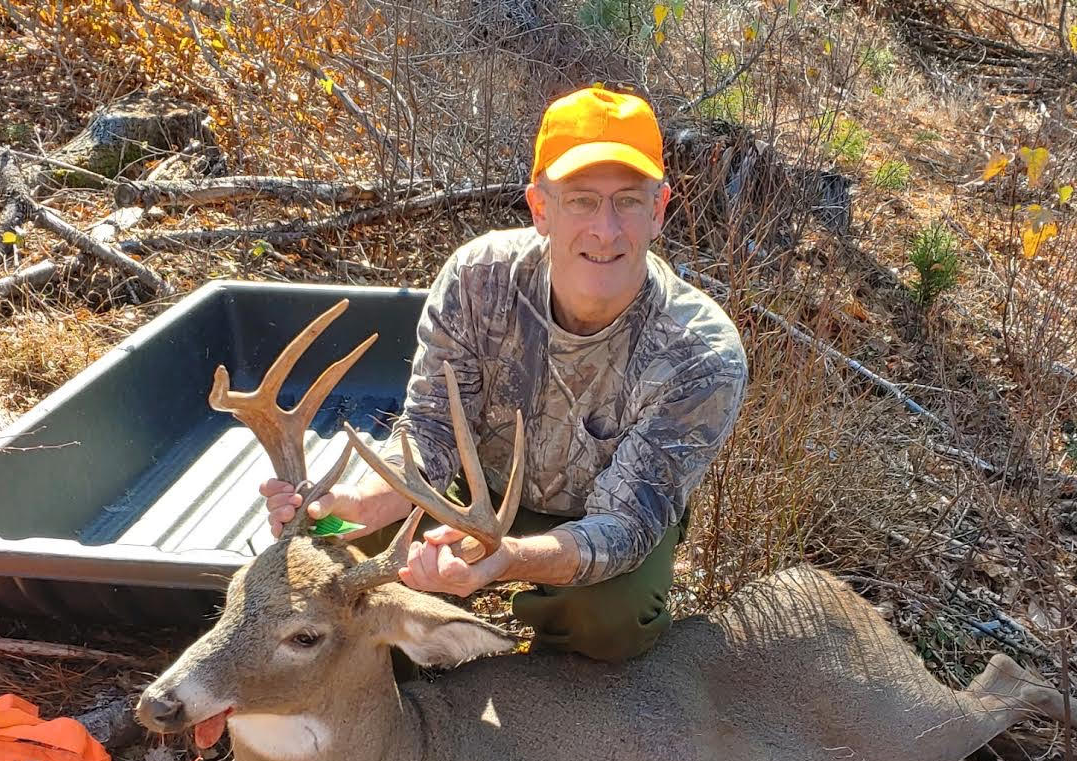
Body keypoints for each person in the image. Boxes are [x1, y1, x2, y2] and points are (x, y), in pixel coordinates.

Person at [262, 85, 747, 662]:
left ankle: (554, 705)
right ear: (540, 208)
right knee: (337, 547)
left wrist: (509, 558)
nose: (606, 230)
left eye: (628, 201)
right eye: (582, 201)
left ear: (659, 210)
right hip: (475, 491)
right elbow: (431, 432)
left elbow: (626, 524)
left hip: (599, 518)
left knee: (612, 620)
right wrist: (361, 502)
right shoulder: (479, 279)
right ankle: (399, 701)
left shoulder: (700, 353)